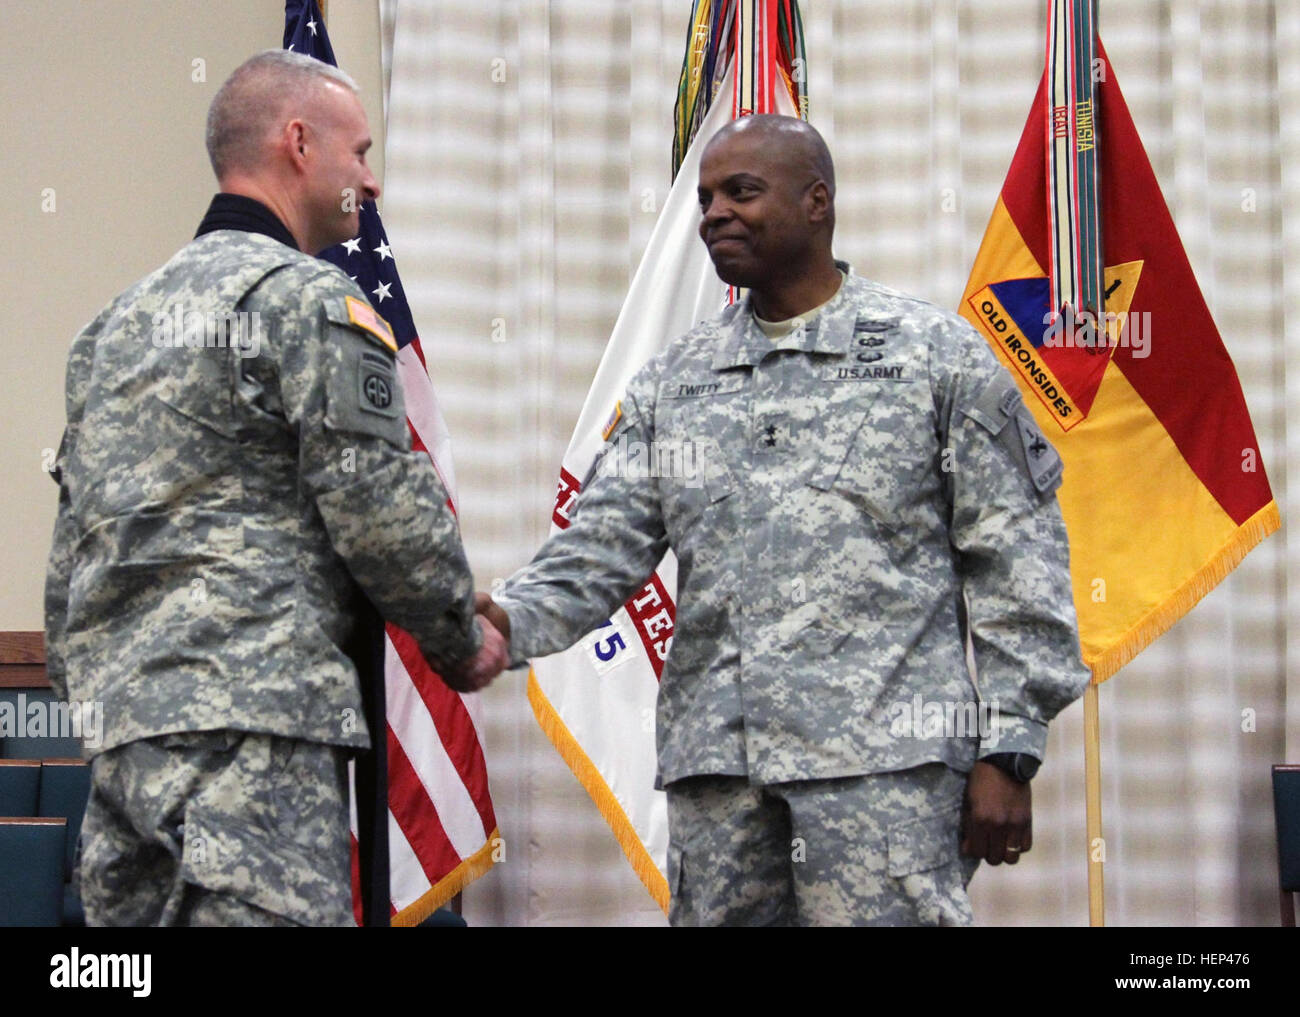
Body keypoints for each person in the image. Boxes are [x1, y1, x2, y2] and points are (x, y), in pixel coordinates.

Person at [479, 114, 1091, 926]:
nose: (714, 214)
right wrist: (502, 622)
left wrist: (1010, 750)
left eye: (742, 191)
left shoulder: (932, 357)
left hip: (882, 777)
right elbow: (600, 546)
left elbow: (1017, 560)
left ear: (817, 203)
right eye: (704, 199)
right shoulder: (676, 383)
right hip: (722, 780)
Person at [43, 50, 507, 927]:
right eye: (360, 152)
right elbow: (380, 504)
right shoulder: (308, 301)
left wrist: (98, 707)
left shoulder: (110, 329)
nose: (369, 182)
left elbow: (72, 552)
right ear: (298, 142)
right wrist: (456, 637)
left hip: (124, 750)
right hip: (254, 742)